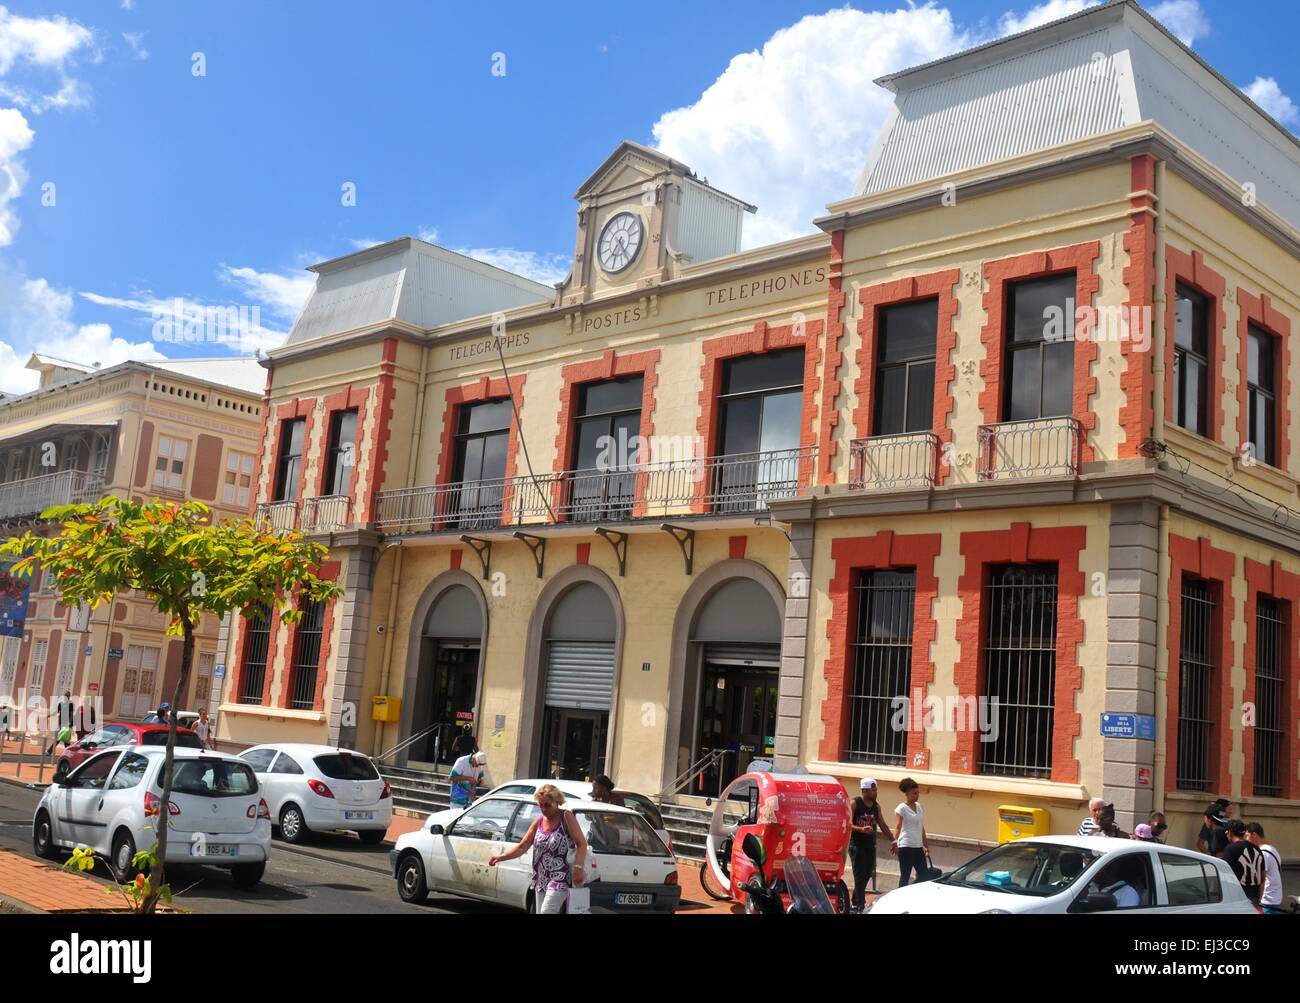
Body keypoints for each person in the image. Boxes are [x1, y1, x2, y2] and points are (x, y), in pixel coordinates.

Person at [488, 784, 588, 913]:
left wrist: (578, 867)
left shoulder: (566, 817)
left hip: (561, 877)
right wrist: (501, 857)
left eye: (547, 805)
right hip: (541, 878)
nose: (544, 809)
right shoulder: (539, 820)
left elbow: (581, 844)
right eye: (541, 805)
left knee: (547, 911)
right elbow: (522, 846)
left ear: (557, 802)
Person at [850, 777, 893, 912]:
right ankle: (860, 905)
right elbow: (846, 824)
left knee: (867, 873)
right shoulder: (855, 803)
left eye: (876, 790)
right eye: (872, 790)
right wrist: (861, 829)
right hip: (857, 845)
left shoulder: (876, 806)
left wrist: (893, 840)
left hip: (870, 845)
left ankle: (855, 900)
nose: (875, 793)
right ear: (864, 790)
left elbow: (883, 825)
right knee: (859, 874)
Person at [891, 777, 929, 887]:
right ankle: (900, 897)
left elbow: (921, 827)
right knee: (905, 875)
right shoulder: (901, 808)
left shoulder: (919, 807)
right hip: (906, 846)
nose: (917, 795)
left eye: (918, 793)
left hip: (918, 847)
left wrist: (925, 845)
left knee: (924, 875)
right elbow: (898, 827)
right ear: (907, 794)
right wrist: (894, 842)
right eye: (914, 793)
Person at [1245, 822, 1285, 914]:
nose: (1246, 839)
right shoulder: (1272, 849)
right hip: (1274, 896)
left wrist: (1258, 899)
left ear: (1254, 835)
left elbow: (1261, 879)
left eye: (1247, 835)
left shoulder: (1263, 853)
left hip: (1267, 898)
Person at [1222, 820, 1264, 905]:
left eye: (1226, 832)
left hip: (1237, 898)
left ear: (1230, 832)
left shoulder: (1230, 849)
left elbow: (1225, 876)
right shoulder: (1257, 849)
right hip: (1255, 897)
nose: (1226, 835)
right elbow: (1263, 877)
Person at [46, 691, 74, 755]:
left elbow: (71, 714)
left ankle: (49, 751)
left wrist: (70, 723)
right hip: (60, 723)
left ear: (69, 697)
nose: (66, 697)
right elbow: (56, 711)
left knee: (62, 739)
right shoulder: (60, 704)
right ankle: (69, 753)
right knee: (62, 739)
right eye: (65, 696)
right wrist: (50, 715)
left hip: (66, 724)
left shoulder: (71, 704)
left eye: (67, 696)